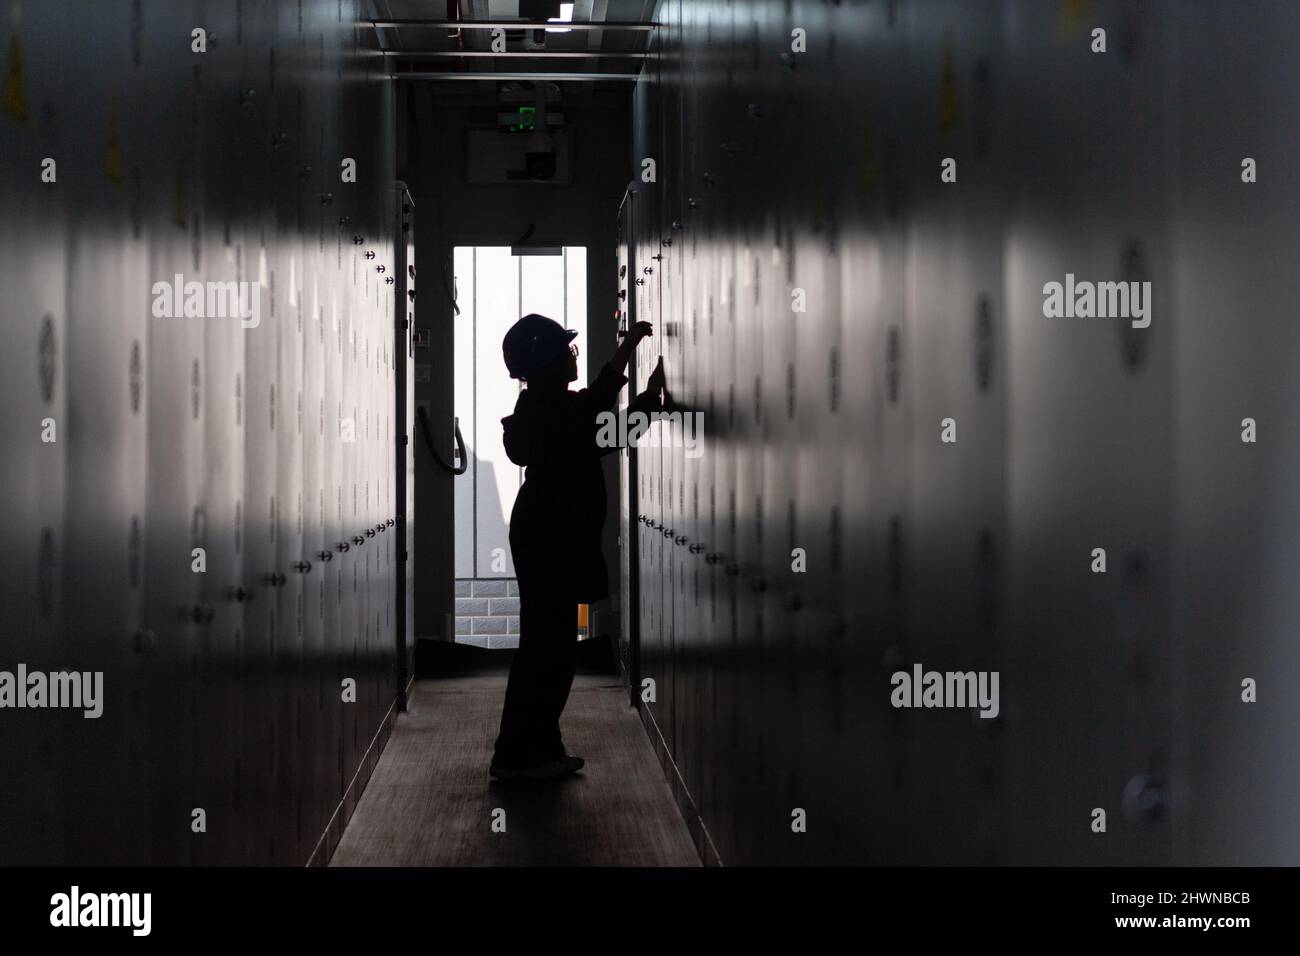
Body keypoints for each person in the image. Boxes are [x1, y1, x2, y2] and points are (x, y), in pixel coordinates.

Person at [489, 313, 664, 782]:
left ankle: (536, 749)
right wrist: (647, 397)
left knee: (547, 650)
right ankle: (517, 756)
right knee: (548, 653)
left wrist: (630, 353)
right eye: (566, 350)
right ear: (547, 363)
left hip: (544, 535)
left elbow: (595, 408)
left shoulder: (547, 408)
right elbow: (607, 424)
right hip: (551, 539)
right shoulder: (555, 414)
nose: (574, 355)